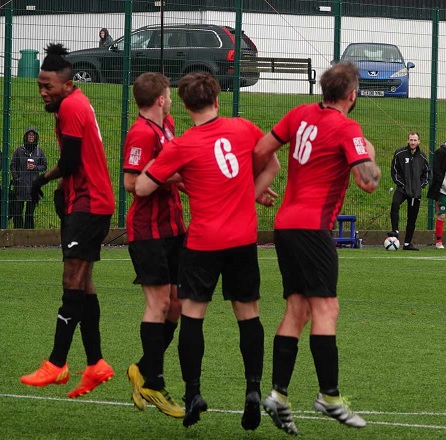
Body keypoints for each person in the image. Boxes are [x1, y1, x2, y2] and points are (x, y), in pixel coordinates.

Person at [253, 61, 380, 435]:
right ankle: (330, 396)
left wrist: (258, 184)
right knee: (327, 307)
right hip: (313, 227)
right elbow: (368, 182)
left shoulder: (299, 114)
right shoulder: (347, 127)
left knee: (297, 308)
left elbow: (261, 148)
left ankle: (277, 393)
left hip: (286, 226)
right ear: (353, 95)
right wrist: (369, 151)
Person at [135, 72, 267, 429]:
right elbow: (273, 164)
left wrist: (165, 167)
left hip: (203, 241)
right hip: (243, 239)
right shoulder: (243, 128)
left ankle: (194, 393)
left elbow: (142, 187)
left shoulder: (183, 144)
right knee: (249, 315)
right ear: (217, 100)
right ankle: (253, 390)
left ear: (185, 104)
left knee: (192, 316)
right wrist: (252, 192)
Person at [20, 43, 116, 399]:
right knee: (84, 282)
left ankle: (58, 362)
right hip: (86, 200)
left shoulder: (71, 108)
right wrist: (60, 189)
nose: (43, 92)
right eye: (40, 86)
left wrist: (43, 180)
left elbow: (73, 162)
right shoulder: (73, 103)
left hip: (90, 203)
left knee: (72, 278)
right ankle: (95, 364)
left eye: (48, 86)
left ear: (66, 83)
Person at [122, 72, 185, 418]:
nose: (171, 99)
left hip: (174, 227)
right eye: (169, 94)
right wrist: (170, 174)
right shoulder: (140, 132)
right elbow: (132, 181)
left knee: (177, 305)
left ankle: (143, 369)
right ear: (160, 98)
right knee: (159, 303)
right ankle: (154, 383)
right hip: (148, 231)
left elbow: (172, 169)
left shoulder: (167, 125)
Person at [389, 131, 429, 251]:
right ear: (407, 140)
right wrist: (401, 184)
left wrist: (420, 185)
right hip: (402, 188)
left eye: (415, 140)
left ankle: (407, 243)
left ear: (418, 142)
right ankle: (395, 230)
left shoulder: (422, 156)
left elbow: (427, 173)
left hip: (415, 192)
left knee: (412, 217)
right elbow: (394, 170)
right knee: (395, 204)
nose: (412, 142)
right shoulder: (400, 153)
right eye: (411, 140)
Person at [9, 127, 47, 229]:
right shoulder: (19, 151)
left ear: (36, 137)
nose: (31, 136)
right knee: (17, 212)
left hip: (33, 186)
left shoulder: (39, 151)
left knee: (29, 213)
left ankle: (29, 236)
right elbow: (13, 165)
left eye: (33, 135)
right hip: (20, 186)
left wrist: (35, 167)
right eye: (29, 135)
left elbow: (44, 166)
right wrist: (16, 178)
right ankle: (18, 233)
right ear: (26, 137)